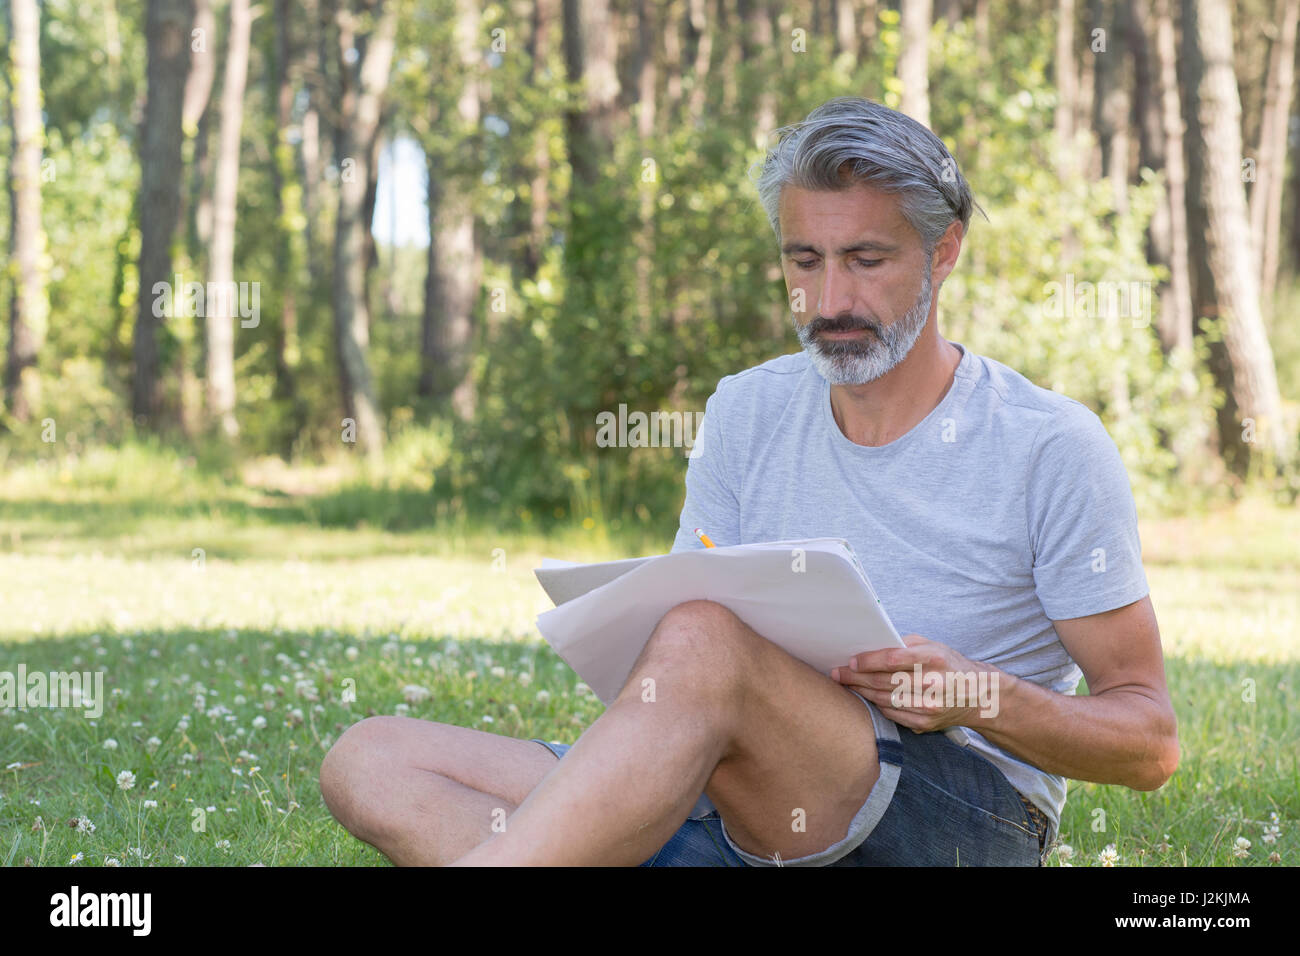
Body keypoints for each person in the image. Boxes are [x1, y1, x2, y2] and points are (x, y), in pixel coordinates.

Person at [319, 96, 1179, 867]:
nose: (829, 299)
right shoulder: (747, 409)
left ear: (942, 251)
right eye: (803, 261)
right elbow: (676, 666)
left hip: (953, 818)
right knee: (373, 759)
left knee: (704, 637)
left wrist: (977, 695)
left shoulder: (1050, 445)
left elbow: (1148, 742)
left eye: (865, 260)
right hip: (735, 798)